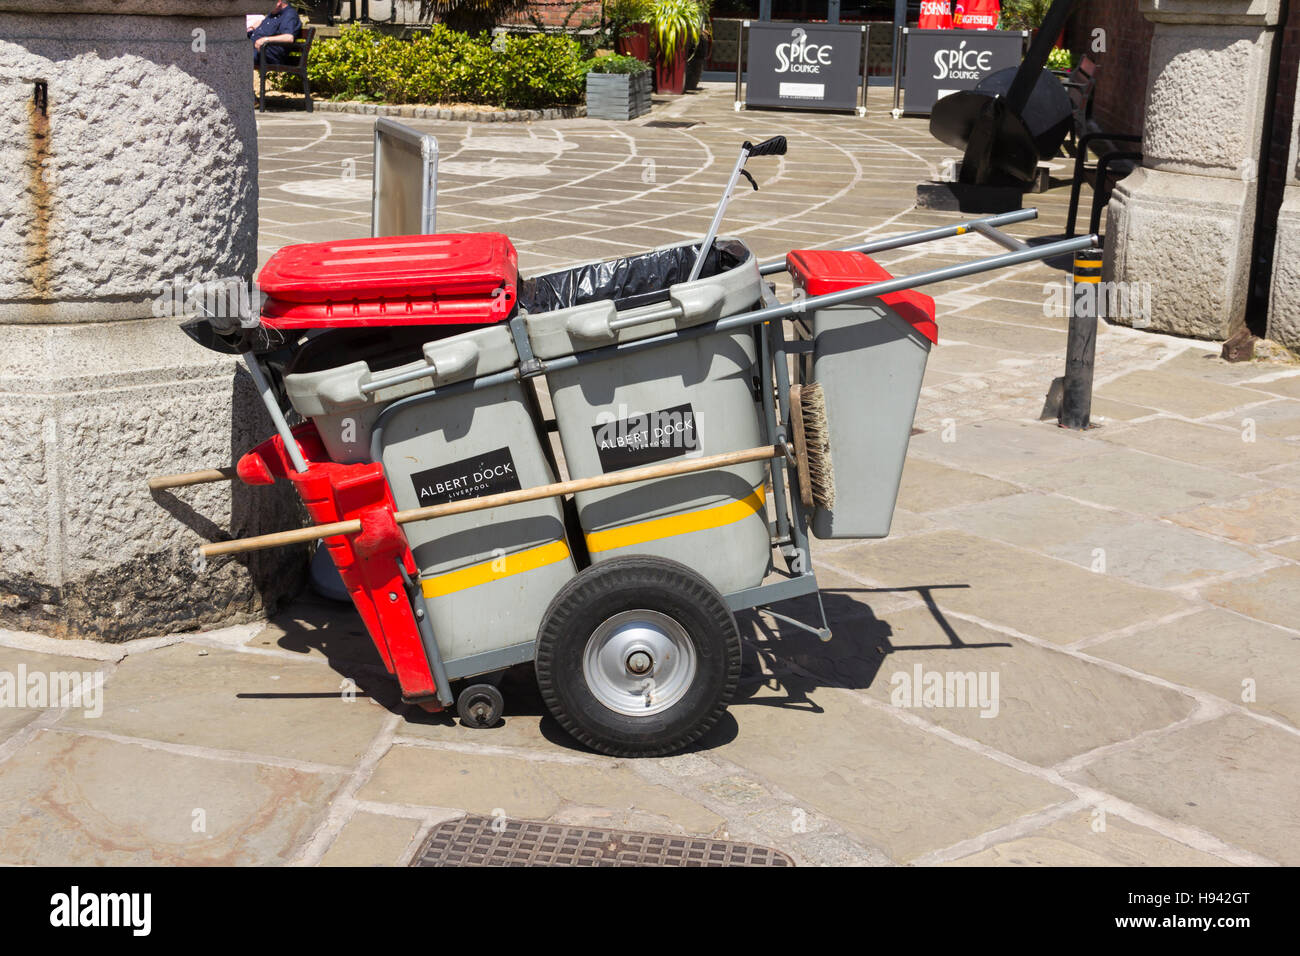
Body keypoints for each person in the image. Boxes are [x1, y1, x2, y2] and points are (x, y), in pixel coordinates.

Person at [249, 0, 302, 67]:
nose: (265, 6)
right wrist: (252, 29)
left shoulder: (289, 14)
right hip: (256, 49)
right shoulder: (272, 14)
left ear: (278, 2)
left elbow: (289, 37)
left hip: (270, 53)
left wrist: (265, 39)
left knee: (240, 56)